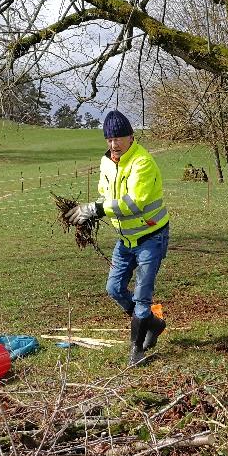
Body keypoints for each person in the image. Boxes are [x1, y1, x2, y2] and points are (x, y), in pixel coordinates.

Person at [66, 110, 170, 366]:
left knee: (143, 297)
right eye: (110, 139)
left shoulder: (142, 162)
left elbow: (135, 203)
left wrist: (95, 209)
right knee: (113, 288)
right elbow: (105, 195)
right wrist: (88, 213)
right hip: (125, 239)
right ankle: (154, 325)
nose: (114, 144)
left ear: (131, 136)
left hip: (151, 237)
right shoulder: (106, 162)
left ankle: (137, 351)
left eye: (119, 138)